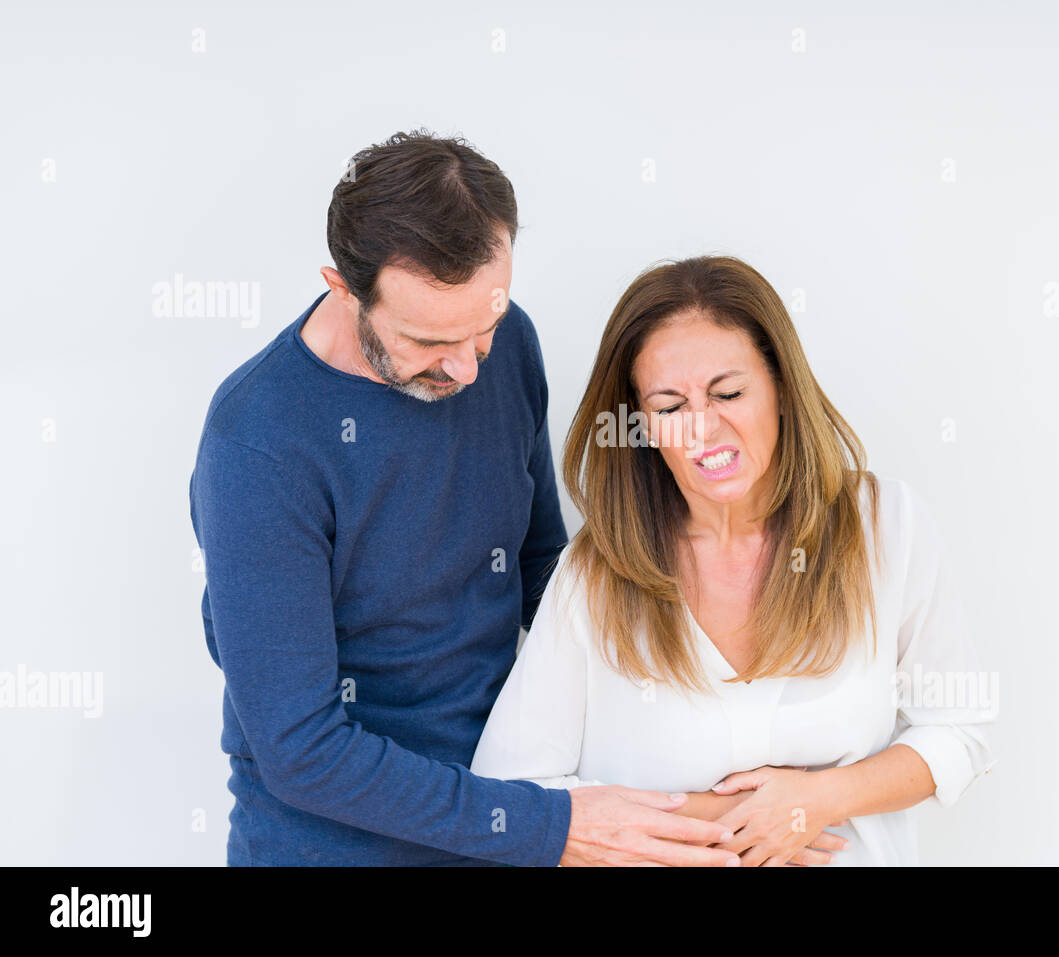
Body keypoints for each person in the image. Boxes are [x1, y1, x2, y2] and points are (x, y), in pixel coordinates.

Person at [188, 130, 750, 866]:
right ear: (343, 288)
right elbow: (303, 749)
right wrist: (551, 827)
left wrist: (696, 707)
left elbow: (542, 568)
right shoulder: (259, 443)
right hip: (337, 845)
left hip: (508, 809)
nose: (468, 368)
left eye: (481, 326)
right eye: (427, 341)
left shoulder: (509, 342)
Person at [471, 254, 997, 865]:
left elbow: (962, 729)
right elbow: (513, 797)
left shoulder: (886, 526)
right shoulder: (596, 574)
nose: (701, 429)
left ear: (780, 389)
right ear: (639, 426)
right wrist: (733, 816)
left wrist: (820, 797)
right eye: (669, 407)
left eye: (728, 393)